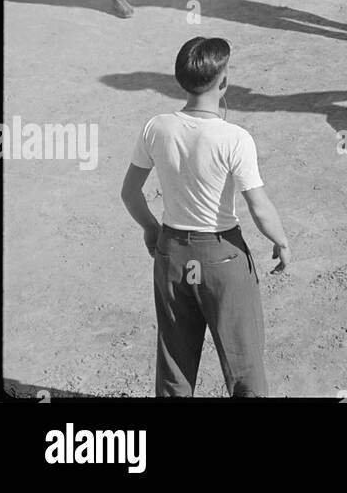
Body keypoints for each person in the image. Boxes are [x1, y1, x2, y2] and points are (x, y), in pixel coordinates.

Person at [120, 36, 290, 397]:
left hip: (172, 255)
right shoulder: (235, 138)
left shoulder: (156, 127)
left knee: (174, 367)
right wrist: (281, 241)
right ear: (223, 82)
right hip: (222, 256)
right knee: (244, 365)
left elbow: (129, 193)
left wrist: (152, 229)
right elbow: (259, 207)